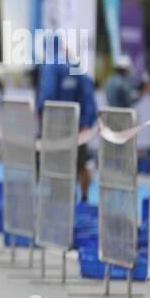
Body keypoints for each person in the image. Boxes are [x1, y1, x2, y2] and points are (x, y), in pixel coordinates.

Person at [36, 56, 98, 203]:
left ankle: (60, 199)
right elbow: (89, 98)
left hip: (57, 128)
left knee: (58, 165)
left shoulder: (50, 68)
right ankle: (83, 200)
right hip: (78, 128)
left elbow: (46, 95)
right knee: (80, 164)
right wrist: (87, 122)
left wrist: (42, 116)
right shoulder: (77, 71)